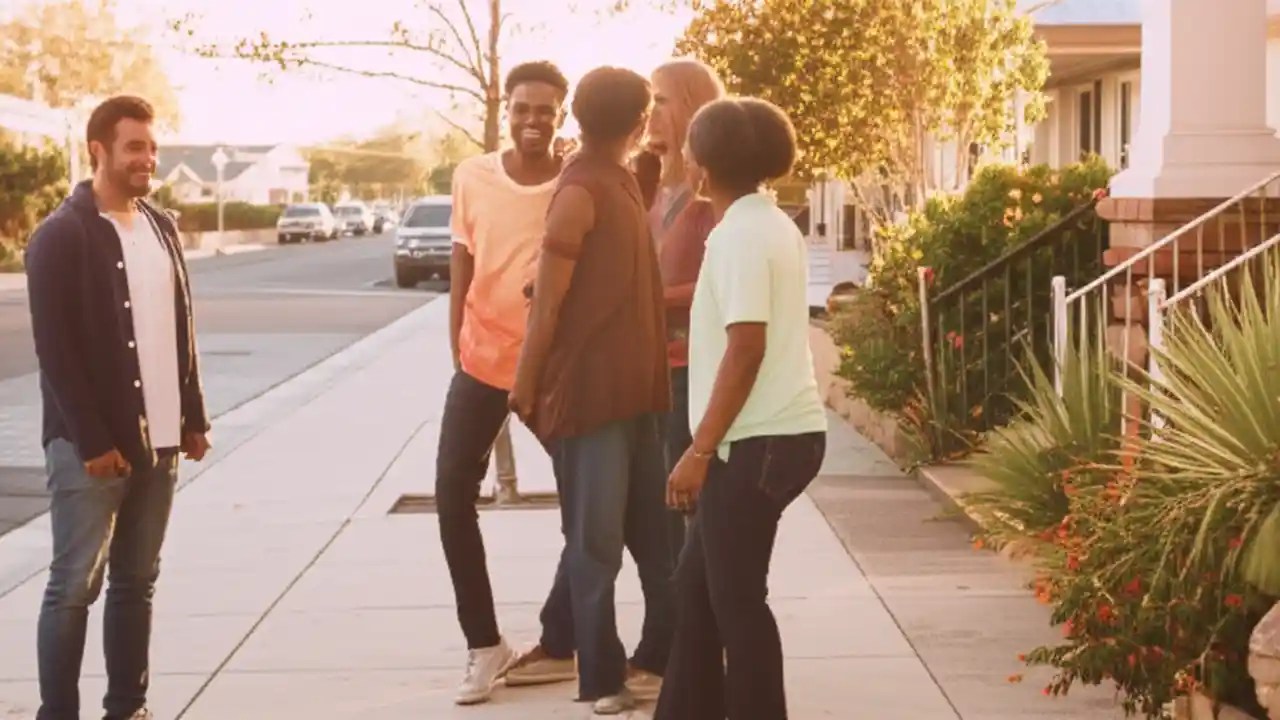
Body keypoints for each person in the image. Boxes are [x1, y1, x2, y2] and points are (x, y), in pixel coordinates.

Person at [24, 95, 213, 720]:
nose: (148, 159)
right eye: (135, 147)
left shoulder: (161, 226)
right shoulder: (61, 236)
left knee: (137, 581)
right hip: (91, 450)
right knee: (74, 586)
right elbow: (56, 352)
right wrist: (91, 440)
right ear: (98, 150)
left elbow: (180, 327)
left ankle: (127, 707)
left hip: (159, 443)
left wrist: (193, 417)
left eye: (152, 148)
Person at [653, 98, 829, 720]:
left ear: (703, 165)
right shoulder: (769, 221)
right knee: (697, 595)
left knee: (736, 607)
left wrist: (699, 451)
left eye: (689, 148)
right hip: (775, 436)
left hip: (756, 442)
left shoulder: (739, 234)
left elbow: (745, 349)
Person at [509, 66, 675, 715]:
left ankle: (662, 659)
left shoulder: (624, 180)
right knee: (595, 545)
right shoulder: (580, 189)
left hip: (638, 394)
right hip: (590, 397)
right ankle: (603, 678)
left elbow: (555, 296)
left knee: (654, 540)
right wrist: (523, 389)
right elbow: (546, 307)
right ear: (636, 124)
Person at [436, 60, 571, 705]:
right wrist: (456, 333)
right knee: (450, 496)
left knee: (590, 500)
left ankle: (562, 635)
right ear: (506, 111)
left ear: (562, 115)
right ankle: (484, 644)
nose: (532, 118)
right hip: (483, 361)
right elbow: (462, 251)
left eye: (545, 109)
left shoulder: (575, 181)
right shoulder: (473, 176)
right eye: (522, 107)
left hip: (552, 368)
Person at [641, 58, 724, 566]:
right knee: (656, 513)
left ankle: (691, 634)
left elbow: (723, 283)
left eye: (661, 99)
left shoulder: (711, 196)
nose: (649, 112)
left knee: (684, 506)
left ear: (691, 107)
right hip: (649, 369)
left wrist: (650, 297)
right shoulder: (652, 188)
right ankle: (675, 630)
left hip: (691, 371)